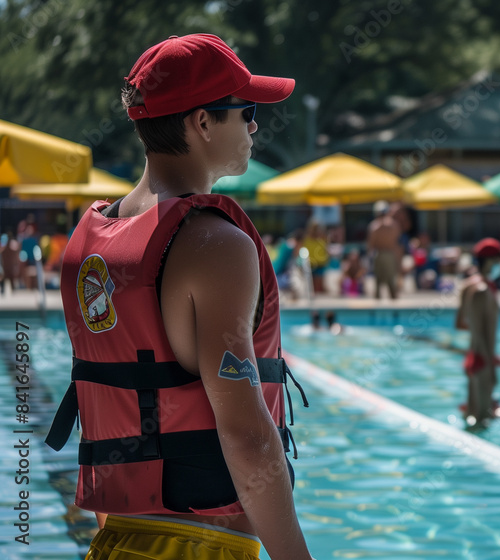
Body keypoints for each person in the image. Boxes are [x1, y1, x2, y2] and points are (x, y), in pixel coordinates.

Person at [43, 34, 312, 560]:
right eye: (246, 110)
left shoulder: (91, 242)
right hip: (198, 546)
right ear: (203, 122)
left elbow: (110, 418)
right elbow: (247, 437)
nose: (255, 125)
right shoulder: (215, 243)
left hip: (118, 539)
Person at [455, 238, 500, 426]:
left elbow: (461, 324)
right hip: (482, 361)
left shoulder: (469, 286)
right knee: (481, 421)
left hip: (476, 357)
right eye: (498, 260)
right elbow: (481, 333)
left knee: (474, 415)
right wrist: (490, 365)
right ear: (489, 262)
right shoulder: (482, 290)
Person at [367, 200, 402, 300]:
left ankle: (376, 311)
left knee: (378, 283)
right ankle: (395, 311)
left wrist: (369, 259)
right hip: (391, 254)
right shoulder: (394, 225)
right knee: (392, 283)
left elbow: (370, 244)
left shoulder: (375, 226)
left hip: (379, 254)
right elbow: (397, 243)